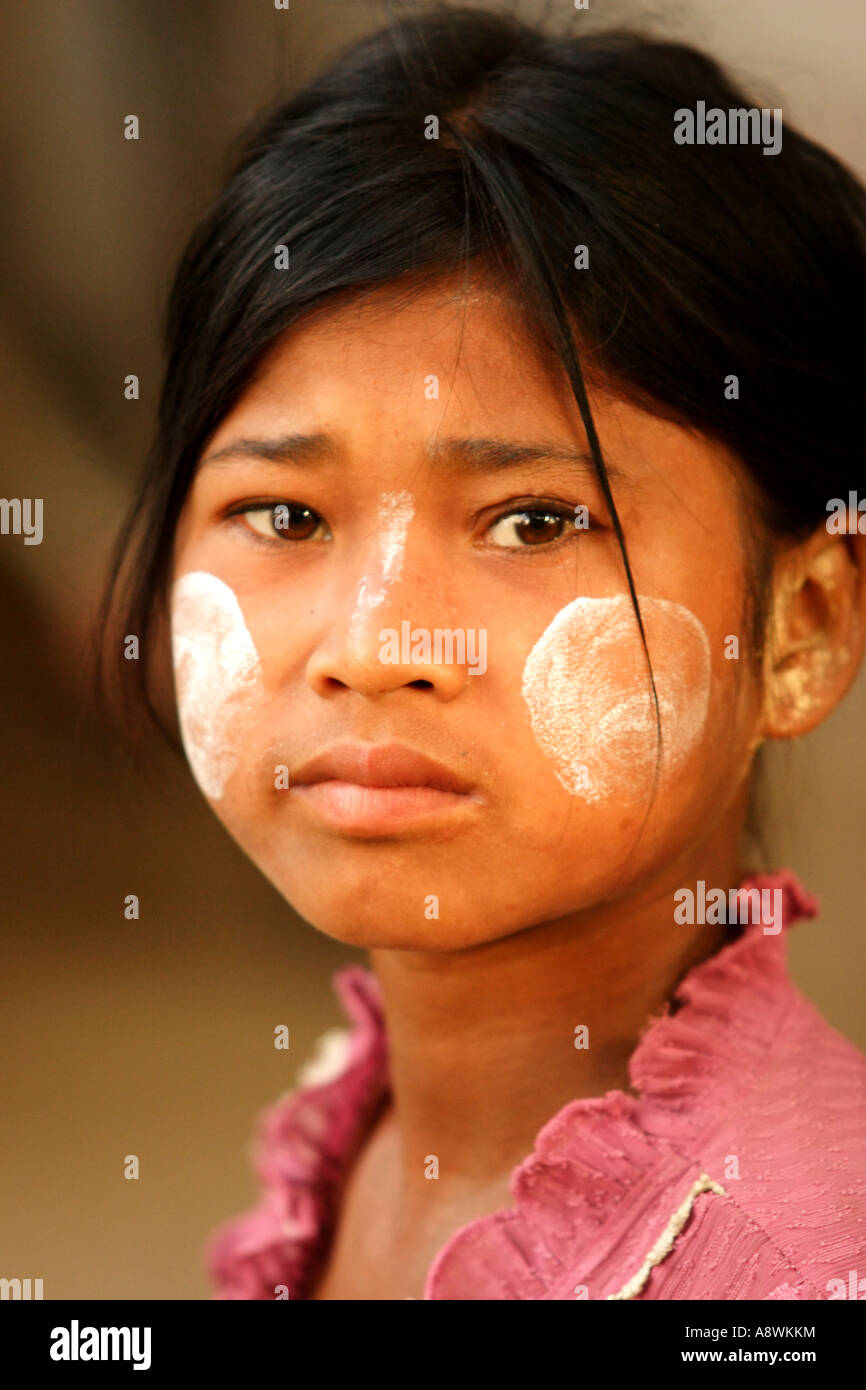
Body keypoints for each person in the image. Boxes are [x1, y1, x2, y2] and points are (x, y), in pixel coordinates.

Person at [96, 4, 866, 1299]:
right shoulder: (356, 1119)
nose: (378, 643)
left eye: (533, 520)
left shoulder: (790, 1272)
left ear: (799, 627)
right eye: (284, 514)